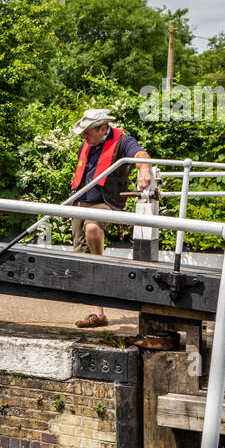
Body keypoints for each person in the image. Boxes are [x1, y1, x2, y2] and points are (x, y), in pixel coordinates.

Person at [68, 108, 152, 328]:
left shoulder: (123, 141)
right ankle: (98, 314)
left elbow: (141, 155)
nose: (84, 136)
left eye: (88, 132)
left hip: (107, 202)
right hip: (81, 201)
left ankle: (100, 261)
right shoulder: (88, 143)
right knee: (82, 257)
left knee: (92, 229)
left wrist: (144, 171)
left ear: (103, 129)